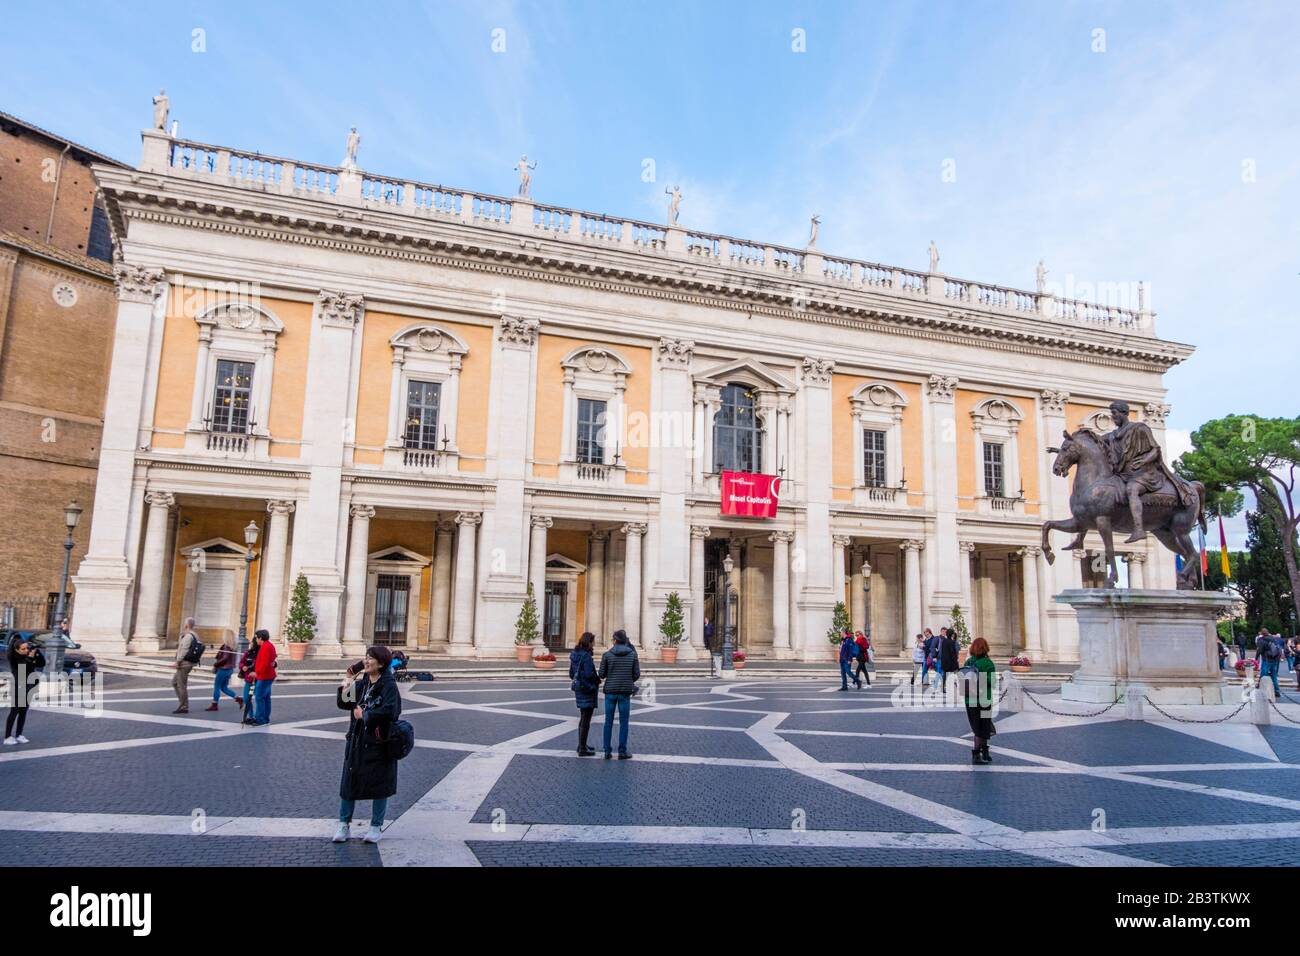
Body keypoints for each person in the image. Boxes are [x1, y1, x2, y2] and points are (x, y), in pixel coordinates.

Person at [334, 645, 401, 844]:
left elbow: (392, 711)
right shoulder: (363, 684)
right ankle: (343, 824)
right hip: (357, 741)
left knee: (379, 785)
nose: (366, 661)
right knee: (349, 784)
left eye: (370, 658)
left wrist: (366, 715)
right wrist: (348, 679)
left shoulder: (389, 685)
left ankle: (375, 826)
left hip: (378, 743)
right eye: (365, 657)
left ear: (381, 663)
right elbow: (345, 703)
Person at [598, 629, 639, 759]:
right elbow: (636, 674)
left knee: (608, 721)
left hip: (610, 691)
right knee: (624, 722)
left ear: (615, 640)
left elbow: (601, 674)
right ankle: (622, 751)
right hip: (625, 692)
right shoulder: (632, 654)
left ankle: (607, 751)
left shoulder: (607, 655)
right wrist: (628, 679)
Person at [5, 636, 45, 745]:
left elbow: (41, 664)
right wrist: (30, 658)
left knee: (23, 712)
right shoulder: (14, 658)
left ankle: (19, 735)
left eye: (27, 648)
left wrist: (37, 653)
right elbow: (23, 669)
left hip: (29, 687)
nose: (26, 650)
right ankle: (7, 737)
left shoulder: (28, 655)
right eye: (23, 649)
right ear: (17, 650)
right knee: (14, 712)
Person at [964, 637, 998, 765]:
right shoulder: (988, 663)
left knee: (977, 727)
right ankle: (978, 754)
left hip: (970, 700)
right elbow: (993, 682)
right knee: (984, 726)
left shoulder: (968, 662)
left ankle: (984, 752)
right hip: (984, 699)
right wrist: (983, 678)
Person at [569, 631, 601, 756]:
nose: (594, 644)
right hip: (588, 689)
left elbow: (571, 674)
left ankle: (582, 745)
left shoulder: (574, 654)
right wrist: (597, 680)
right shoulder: (586, 656)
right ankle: (582, 748)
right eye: (593, 642)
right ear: (589, 642)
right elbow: (588, 674)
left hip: (579, 688)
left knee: (583, 717)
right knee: (586, 719)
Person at [172, 617, 203, 714]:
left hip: (184, 663)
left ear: (186, 625)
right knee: (175, 682)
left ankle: (184, 706)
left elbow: (184, 650)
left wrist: (178, 661)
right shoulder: (194, 635)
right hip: (188, 662)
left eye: (184, 623)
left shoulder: (188, 636)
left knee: (181, 685)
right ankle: (183, 703)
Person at [250, 629, 277, 725]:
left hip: (264, 676)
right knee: (265, 698)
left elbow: (265, 663)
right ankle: (265, 718)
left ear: (260, 638)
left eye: (256, 638)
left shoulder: (265, 647)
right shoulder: (269, 645)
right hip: (268, 675)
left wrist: (257, 673)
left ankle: (260, 719)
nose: (255, 640)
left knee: (259, 697)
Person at [207, 635, 240, 711]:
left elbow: (225, 658)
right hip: (229, 669)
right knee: (224, 687)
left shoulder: (226, 646)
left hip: (223, 669)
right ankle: (238, 699)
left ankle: (214, 704)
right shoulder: (233, 646)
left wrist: (216, 664)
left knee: (217, 687)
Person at [237, 633, 259, 725]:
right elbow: (241, 662)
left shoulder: (260, 653)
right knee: (246, 698)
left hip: (256, 681)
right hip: (248, 680)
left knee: (258, 699)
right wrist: (243, 667)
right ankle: (251, 716)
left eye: (252, 642)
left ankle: (257, 717)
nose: (251, 643)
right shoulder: (248, 653)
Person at [1258, 629, 1283, 698]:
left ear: (1262, 633)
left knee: (1263, 675)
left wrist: (1256, 658)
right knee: (1274, 676)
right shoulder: (1273, 639)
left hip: (1266, 659)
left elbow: (1260, 650)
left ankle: (1261, 689)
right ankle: (1277, 691)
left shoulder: (1262, 640)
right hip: (1274, 660)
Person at [940, 627, 961, 694]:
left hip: (944, 660)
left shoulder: (944, 641)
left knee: (945, 675)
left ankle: (943, 687)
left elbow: (942, 651)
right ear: (952, 634)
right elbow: (953, 653)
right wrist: (956, 661)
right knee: (955, 673)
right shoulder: (952, 642)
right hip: (950, 661)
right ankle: (956, 686)